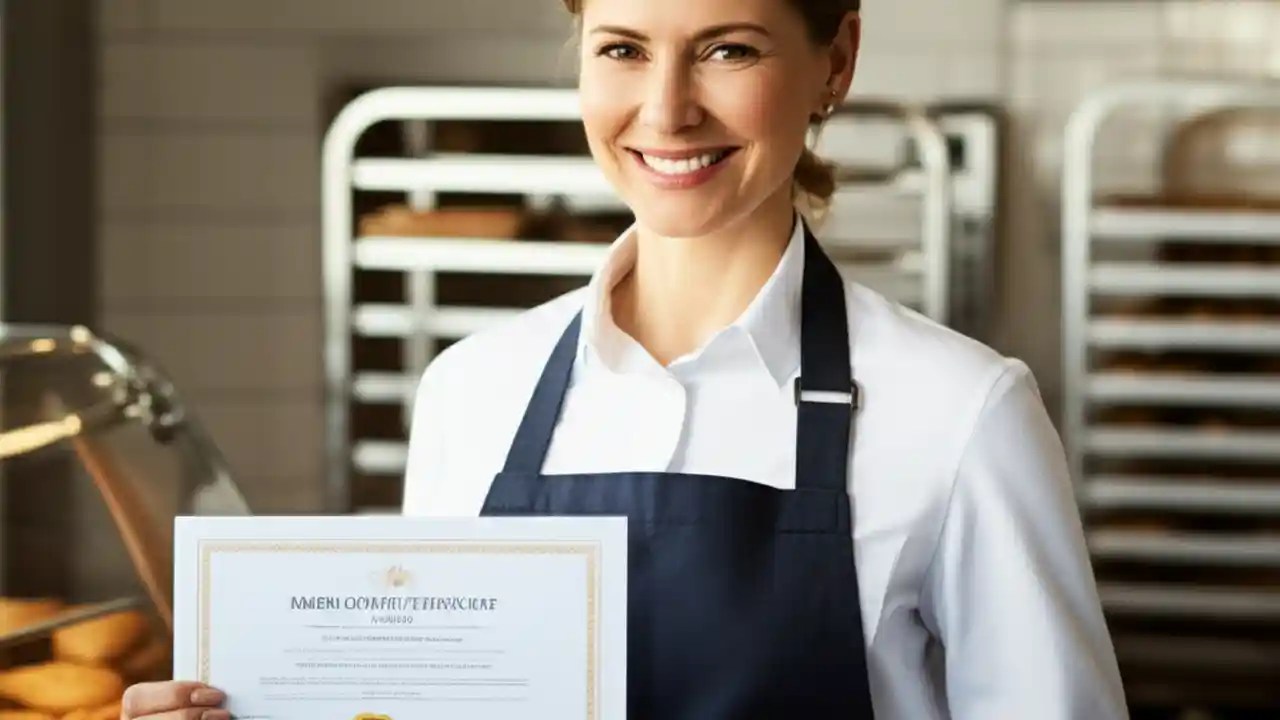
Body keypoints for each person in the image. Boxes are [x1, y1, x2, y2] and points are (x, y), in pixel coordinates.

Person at [122, 0, 1129, 717]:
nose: (663, 110)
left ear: (836, 60)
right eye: (619, 48)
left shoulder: (956, 412)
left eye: (726, 50)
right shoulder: (472, 390)